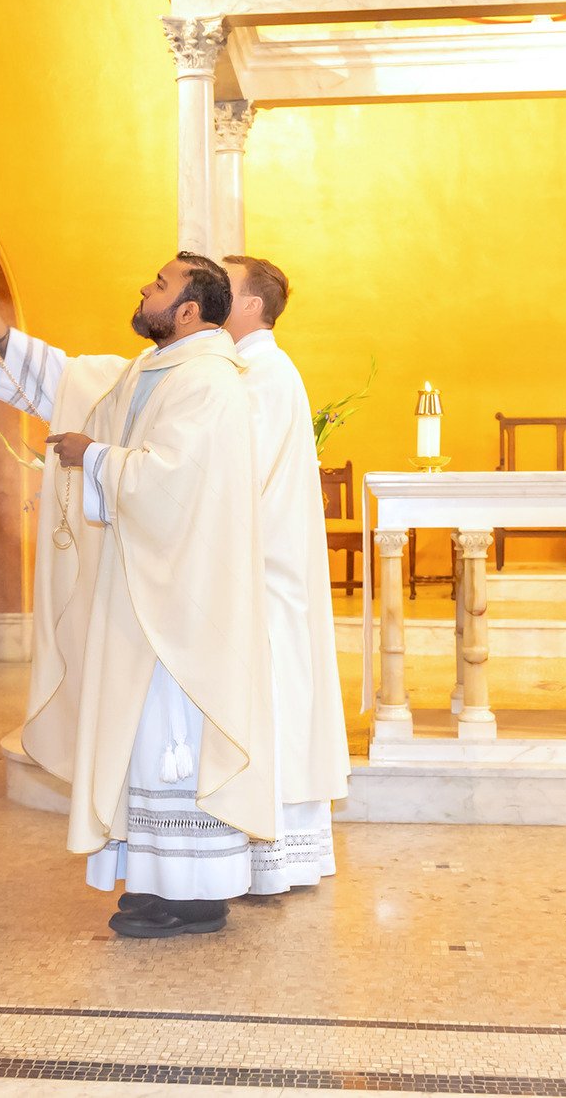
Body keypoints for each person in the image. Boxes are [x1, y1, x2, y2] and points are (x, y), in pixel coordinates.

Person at [0, 255, 274, 940]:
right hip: (140, 593)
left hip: (184, 606)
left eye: (160, 284)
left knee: (172, 739)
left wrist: (93, 456)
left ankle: (199, 897)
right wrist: (1, 336)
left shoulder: (211, 382)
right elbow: (76, 383)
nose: (145, 288)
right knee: (141, 740)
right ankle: (157, 883)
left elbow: (175, 481)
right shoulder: (151, 370)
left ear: (189, 310)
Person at [219, 254, 348, 893]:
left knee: (271, 707)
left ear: (250, 305)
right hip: (263, 570)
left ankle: (267, 856)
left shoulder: (261, 373)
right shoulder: (249, 368)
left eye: (224, 285)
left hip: (266, 575)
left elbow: (233, 470)